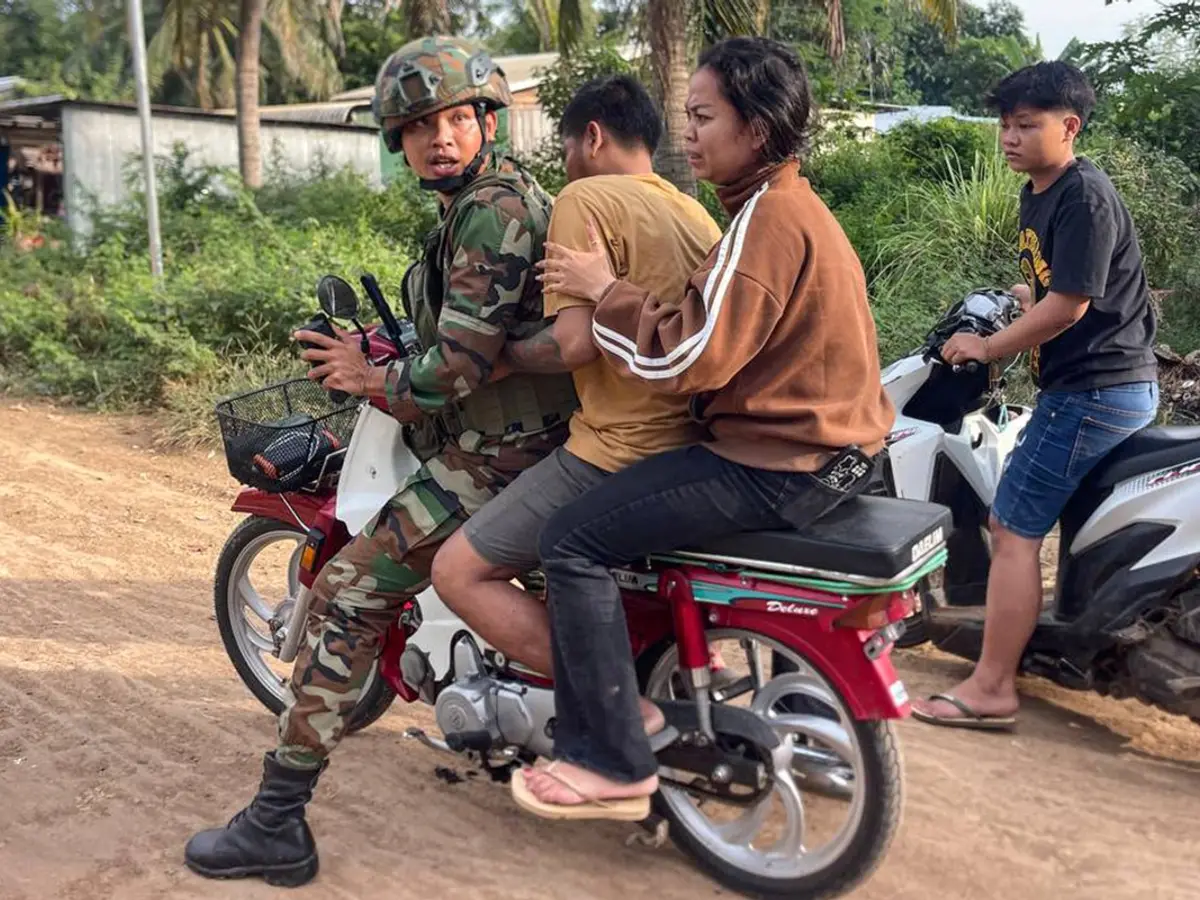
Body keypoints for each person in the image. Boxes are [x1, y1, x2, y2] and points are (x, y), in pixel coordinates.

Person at [183, 35, 578, 886]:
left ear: (485, 121)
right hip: (510, 450)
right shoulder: (476, 207)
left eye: (455, 119)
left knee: (345, 594)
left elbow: (461, 368)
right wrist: (383, 349)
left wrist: (374, 376)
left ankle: (277, 821)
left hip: (495, 461)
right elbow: (472, 336)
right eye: (419, 125)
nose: (439, 137)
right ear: (398, 142)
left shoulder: (494, 209)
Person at [508, 36, 895, 820]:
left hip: (778, 462)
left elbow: (688, 356)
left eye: (703, 116)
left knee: (571, 541)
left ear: (756, 128)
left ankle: (612, 757)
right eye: (686, 117)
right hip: (840, 457)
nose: (688, 134)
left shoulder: (768, 221)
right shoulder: (782, 207)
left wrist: (601, 287)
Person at [429, 74, 722, 723]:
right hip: (692, 449)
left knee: (458, 572)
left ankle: (620, 703)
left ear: (592, 136)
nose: (564, 167)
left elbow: (573, 344)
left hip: (616, 448)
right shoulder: (693, 209)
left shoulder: (584, 197)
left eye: (565, 150)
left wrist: (496, 358)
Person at [911, 61, 1159, 731]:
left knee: (1011, 529)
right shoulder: (1040, 191)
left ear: (1069, 127)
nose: (1010, 138)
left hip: (1092, 392)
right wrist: (1022, 297)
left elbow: (1072, 307)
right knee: (1054, 526)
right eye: (1004, 125)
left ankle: (991, 686)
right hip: (1097, 388)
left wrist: (990, 347)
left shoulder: (1084, 195)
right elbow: (1054, 288)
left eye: (1026, 125)